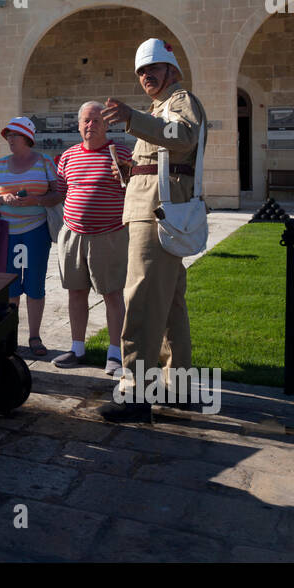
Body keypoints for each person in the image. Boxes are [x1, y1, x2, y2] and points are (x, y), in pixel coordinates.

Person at [99, 39, 208, 423]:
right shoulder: (161, 107)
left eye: (154, 69)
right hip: (155, 208)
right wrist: (129, 171)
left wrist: (131, 118)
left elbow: (183, 137)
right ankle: (176, 386)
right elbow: (164, 161)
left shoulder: (180, 101)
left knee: (142, 299)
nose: (147, 76)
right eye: (142, 71)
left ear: (172, 72)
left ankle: (135, 392)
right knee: (170, 302)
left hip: (157, 213)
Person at [49, 102, 133, 373]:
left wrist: (129, 174)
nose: (90, 125)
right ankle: (77, 348)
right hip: (73, 234)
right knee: (76, 292)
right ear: (78, 124)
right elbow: (60, 192)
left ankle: (115, 353)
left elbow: (134, 188)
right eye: (86, 120)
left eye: (96, 120)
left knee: (112, 294)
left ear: (107, 125)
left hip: (109, 235)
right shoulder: (68, 156)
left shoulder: (120, 152)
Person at [0, 117, 59, 357]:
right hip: (7, 234)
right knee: (11, 287)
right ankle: (10, 336)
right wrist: (1, 199)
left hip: (36, 232)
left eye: (14, 135)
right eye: (8, 135)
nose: (10, 139)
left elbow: (58, 194)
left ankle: (34, 337)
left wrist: (36, 200)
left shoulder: (45, 162)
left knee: (35, 285)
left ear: (27, 138)